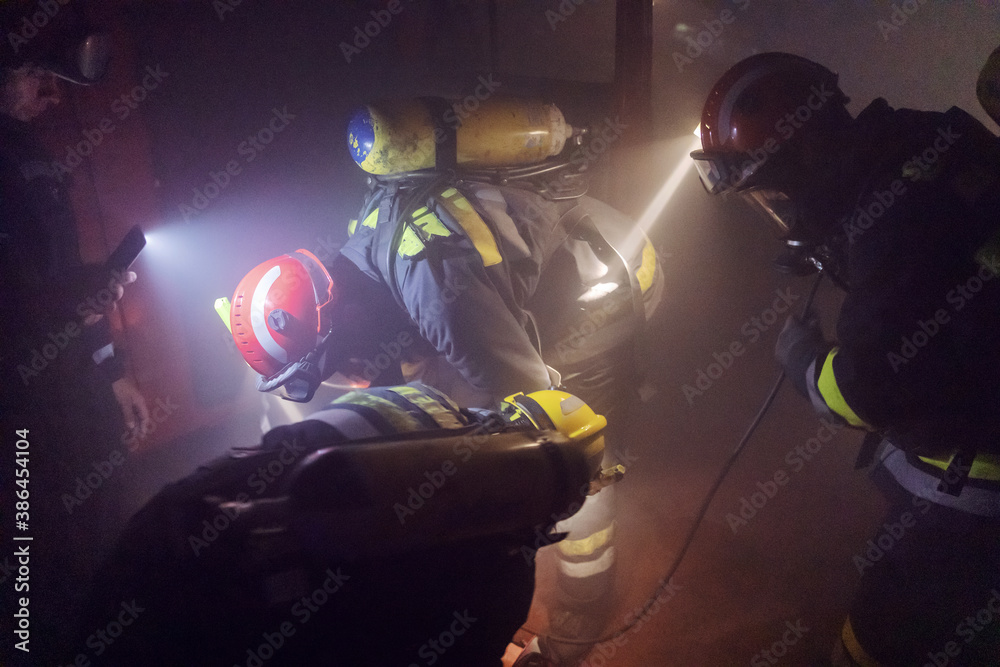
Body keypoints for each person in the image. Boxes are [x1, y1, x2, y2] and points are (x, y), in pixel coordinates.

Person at [230, 99, 664, 665]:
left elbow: (545, 414)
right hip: (562, 256)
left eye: (328, 369)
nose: (346, 380)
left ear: (341, 326)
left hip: (604, 283)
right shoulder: (359, 252)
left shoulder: (436, 294)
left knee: (569, 441)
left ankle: (581, 617)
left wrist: (507, 509)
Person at [691, 52, 1000, 665]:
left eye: (774, 188)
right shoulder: (923, 154)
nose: (779, 210)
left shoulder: (895, 212)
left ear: (807, 154)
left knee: (875, 647)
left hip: (972, 506)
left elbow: (867, 390)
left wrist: (803, 360)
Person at [74, 382, 610, 666]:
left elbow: (279, 452)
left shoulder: (412, 398)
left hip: (178, 529)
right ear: (563, 504)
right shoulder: (506, 579)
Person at [0, 4, 149, 663]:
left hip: (71, 388)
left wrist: (113, 370)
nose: (52, 93)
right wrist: (61, 300)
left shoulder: (30, 154)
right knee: (32, 551)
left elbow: (62, 276)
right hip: (20, 406)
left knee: (104, 530)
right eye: (36, 74)